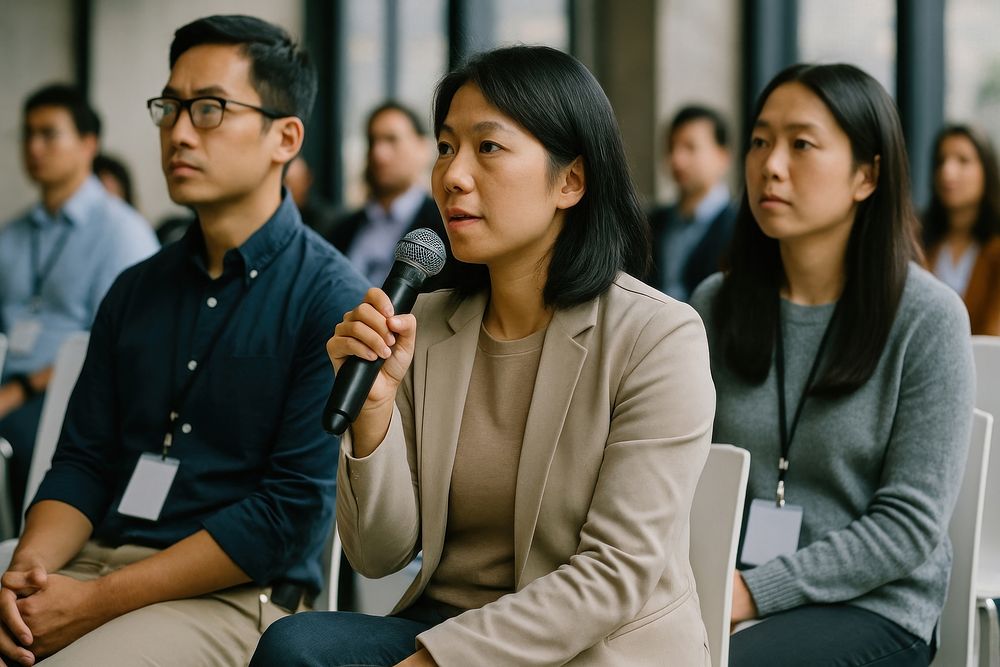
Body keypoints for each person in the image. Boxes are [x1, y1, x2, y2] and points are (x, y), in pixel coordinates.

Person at [251, 45, 715, 666]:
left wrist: (432, 663)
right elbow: (378, 555)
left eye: (487, 147)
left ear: (570, 180)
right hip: (445, 623)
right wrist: (375, 411)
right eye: (445, 147)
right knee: (295, 646)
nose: (452, 176)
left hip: (592, 648)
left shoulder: (657, 336)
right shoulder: (432, 324)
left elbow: (613, 576)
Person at [0, 14, 366, 666]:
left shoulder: (330, 298)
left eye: (209, 109)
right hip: (90, 562)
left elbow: (287, 516)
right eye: (169, 107)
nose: (178, 130)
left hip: (232, 596)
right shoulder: (135, 288)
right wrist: (28, 573)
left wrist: (92, 602)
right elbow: (83, 462)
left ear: (285, 136)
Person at [690, 63, 975, 666]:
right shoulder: (718, 303)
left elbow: (907, 526)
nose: (770, 164)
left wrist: (750, 593)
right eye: (761, 140)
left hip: (873, 605)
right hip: (719, 587)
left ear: (866, 175)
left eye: (801, 144)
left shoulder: (927, 318)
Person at [0, 85, 158, 526]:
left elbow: (116, 345)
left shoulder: (120, 232)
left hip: (68, 390)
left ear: (89, 144)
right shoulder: (13, 234)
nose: (34, 147)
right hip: (9, 383)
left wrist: (20, 390)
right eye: (28, 135)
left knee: (21, 439)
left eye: (49, 134)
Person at [328, 101, 452, 291]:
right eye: (372, 141)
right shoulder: (341, 230)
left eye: (391, 140)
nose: (379, 154)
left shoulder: (446, 228)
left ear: (423, 149)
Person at [647, 105, 736, 301]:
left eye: (690, 147)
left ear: (722, 157)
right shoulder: (652, 222)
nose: (677, 160)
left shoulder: (742, 227)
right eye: (671, 147)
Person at [923, 124, 1000, 335]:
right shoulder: (919, 240)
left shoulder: (995, 249)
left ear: (986, 169)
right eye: (941, 161)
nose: (947, 172)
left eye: (963, 161)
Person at [284, 155, 339, 238]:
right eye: (285, 183)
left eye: (292, 184)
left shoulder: (324, 220)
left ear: (307, 180)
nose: (288, 190)